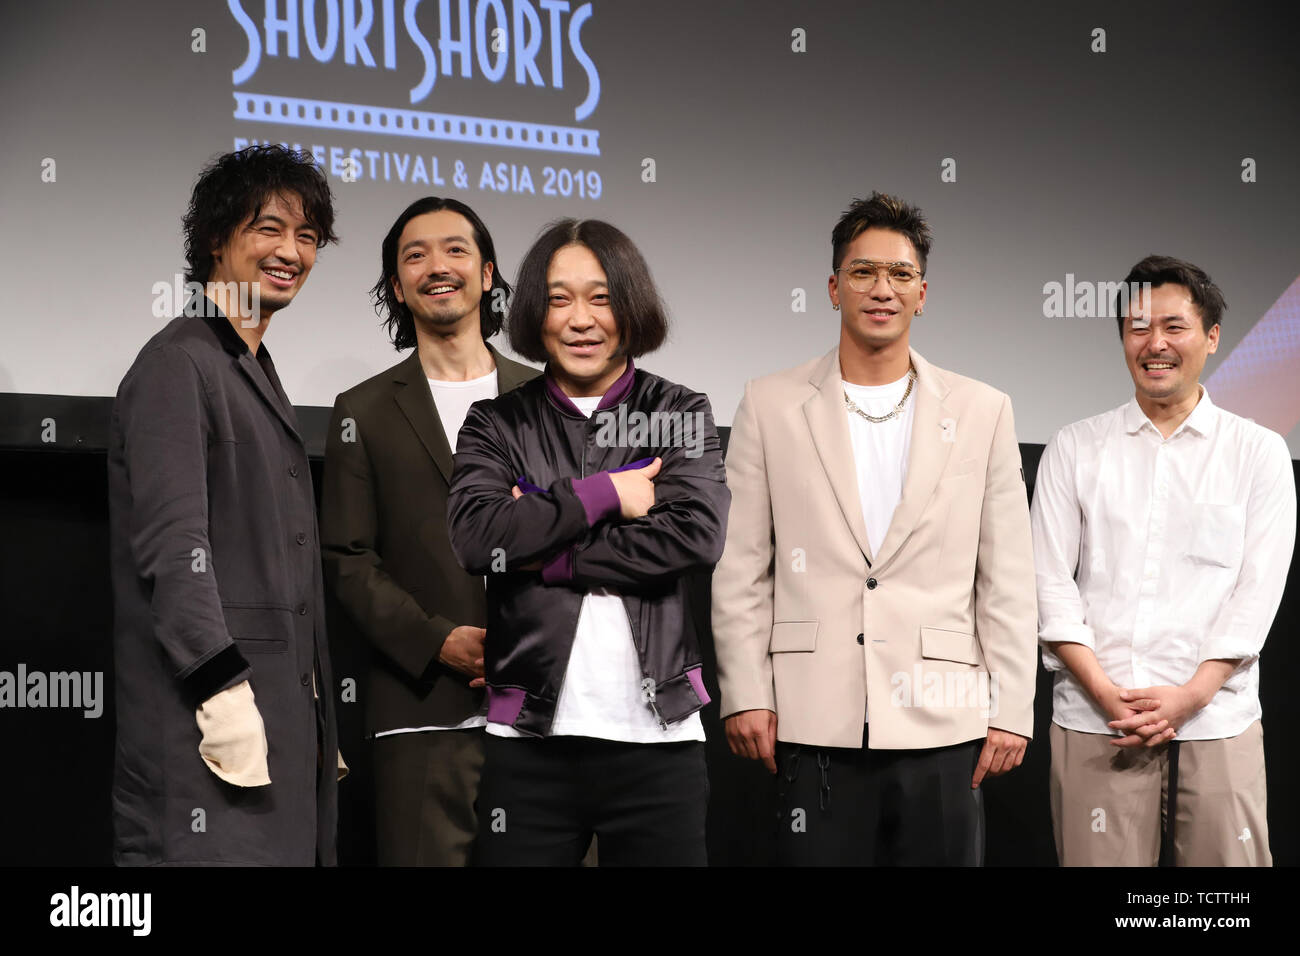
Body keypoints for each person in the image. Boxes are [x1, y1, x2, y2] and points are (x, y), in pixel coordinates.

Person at [712, 192, 1038, 865]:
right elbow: (741, 565)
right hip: (810, 717)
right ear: (833, 288)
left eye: (899, 274)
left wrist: (1011, 707)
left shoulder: (983, 410)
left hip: (944, 722)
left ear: (924, 293)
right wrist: (745, 693)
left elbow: (1005, 575)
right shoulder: (769, 404)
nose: (881, 289)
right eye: (862, 273)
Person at [447, 219, 729, 866]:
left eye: (601, 297)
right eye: (559, 298)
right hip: (527, 747)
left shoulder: (679, 413)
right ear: (533, 313)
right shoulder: (496, 421)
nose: (581, 320)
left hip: (661, 744)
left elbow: (695, 538)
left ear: (630, 306)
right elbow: (477, 536)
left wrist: (551, 552)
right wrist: (607, 496)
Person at [107, 144, 342, 865]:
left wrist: (314, 724)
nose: (291, 252)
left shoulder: (249, 367)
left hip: (280, 736)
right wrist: (223, 697)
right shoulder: (178, 363)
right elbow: (176, 551)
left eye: (307, 237)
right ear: (216, 237)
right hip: (208, 739)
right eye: (268, 228)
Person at [1032, 255, 1296, 866]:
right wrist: (1101, 689)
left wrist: (1193, 694)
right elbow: (1047, 581)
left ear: (1211, 337)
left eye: (1174, 327)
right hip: (1098, 721)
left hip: (1218, 721)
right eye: (1137, 327)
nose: (1155, 344)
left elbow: (1257, 591)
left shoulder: (1257, 452)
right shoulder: (1074, 448)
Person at [320, 197, 538, 866]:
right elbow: (348, 560)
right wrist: (441, 642)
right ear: (397, 285)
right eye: (415, 255)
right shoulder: (361, 410)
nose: (437, 266)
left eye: (455, 250)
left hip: (543, 711)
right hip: (419, 712)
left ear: (489, 273)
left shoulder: (550, 398)